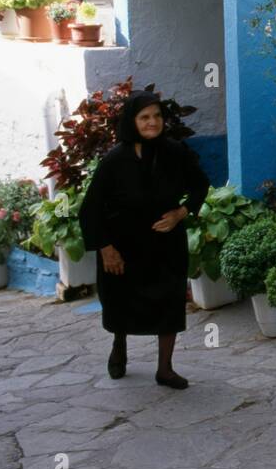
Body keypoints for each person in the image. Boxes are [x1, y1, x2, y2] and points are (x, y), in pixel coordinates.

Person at [78, 91, 210, 389]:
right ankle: (119, 345)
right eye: (145, 117)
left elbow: (201, 185)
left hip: (165, 245)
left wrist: (181, 213)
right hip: (123, 247)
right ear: (132, 121)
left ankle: (165, 369)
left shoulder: (176, 152)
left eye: (157, 116)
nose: (152, 122)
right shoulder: (115, 159)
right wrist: (106, 249)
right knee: (122, 302)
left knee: (169, 304)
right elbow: (91, 209)